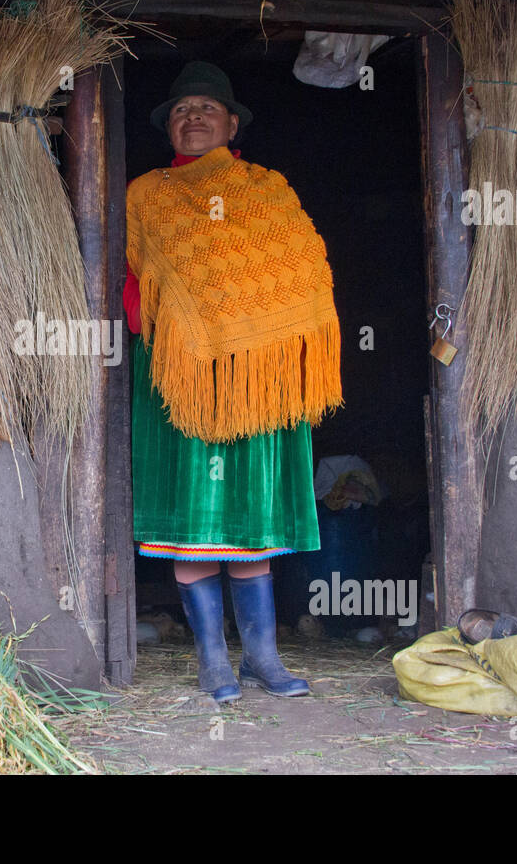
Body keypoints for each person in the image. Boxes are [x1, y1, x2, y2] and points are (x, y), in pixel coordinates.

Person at [125, 61, 343, 704]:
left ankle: (264, 660)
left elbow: (304, 278)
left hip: (258, 383)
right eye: (181, 109)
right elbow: (133, 277)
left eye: (207, 108)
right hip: (181, 378)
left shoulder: (266, 189)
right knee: (196, 520)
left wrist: (256, 348)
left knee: (250, 520)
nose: (193, 118)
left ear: (233, 122)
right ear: (169, 127)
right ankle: (213, 662)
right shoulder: (148, 194)